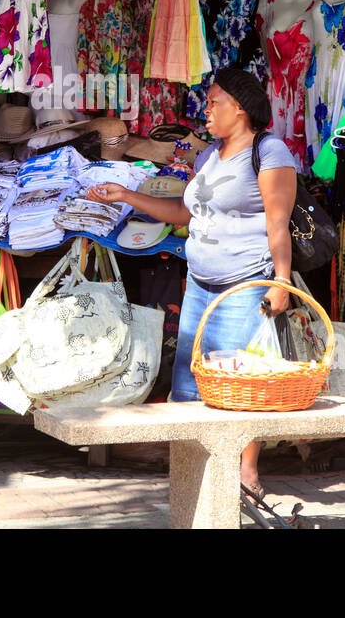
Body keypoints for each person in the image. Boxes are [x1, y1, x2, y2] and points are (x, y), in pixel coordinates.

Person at [87, 67, 296, 497]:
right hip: (200, 285)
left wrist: (281, 280)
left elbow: (279, 223)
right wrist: (126, 196)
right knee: (192, 380)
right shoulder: (207, 157)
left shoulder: (268, 152)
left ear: (239, 108)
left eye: (214, 101)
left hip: (246, 285)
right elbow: (187, 215)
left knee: (242, 380)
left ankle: (246, 475)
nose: (207, 109)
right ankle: (195, 474)